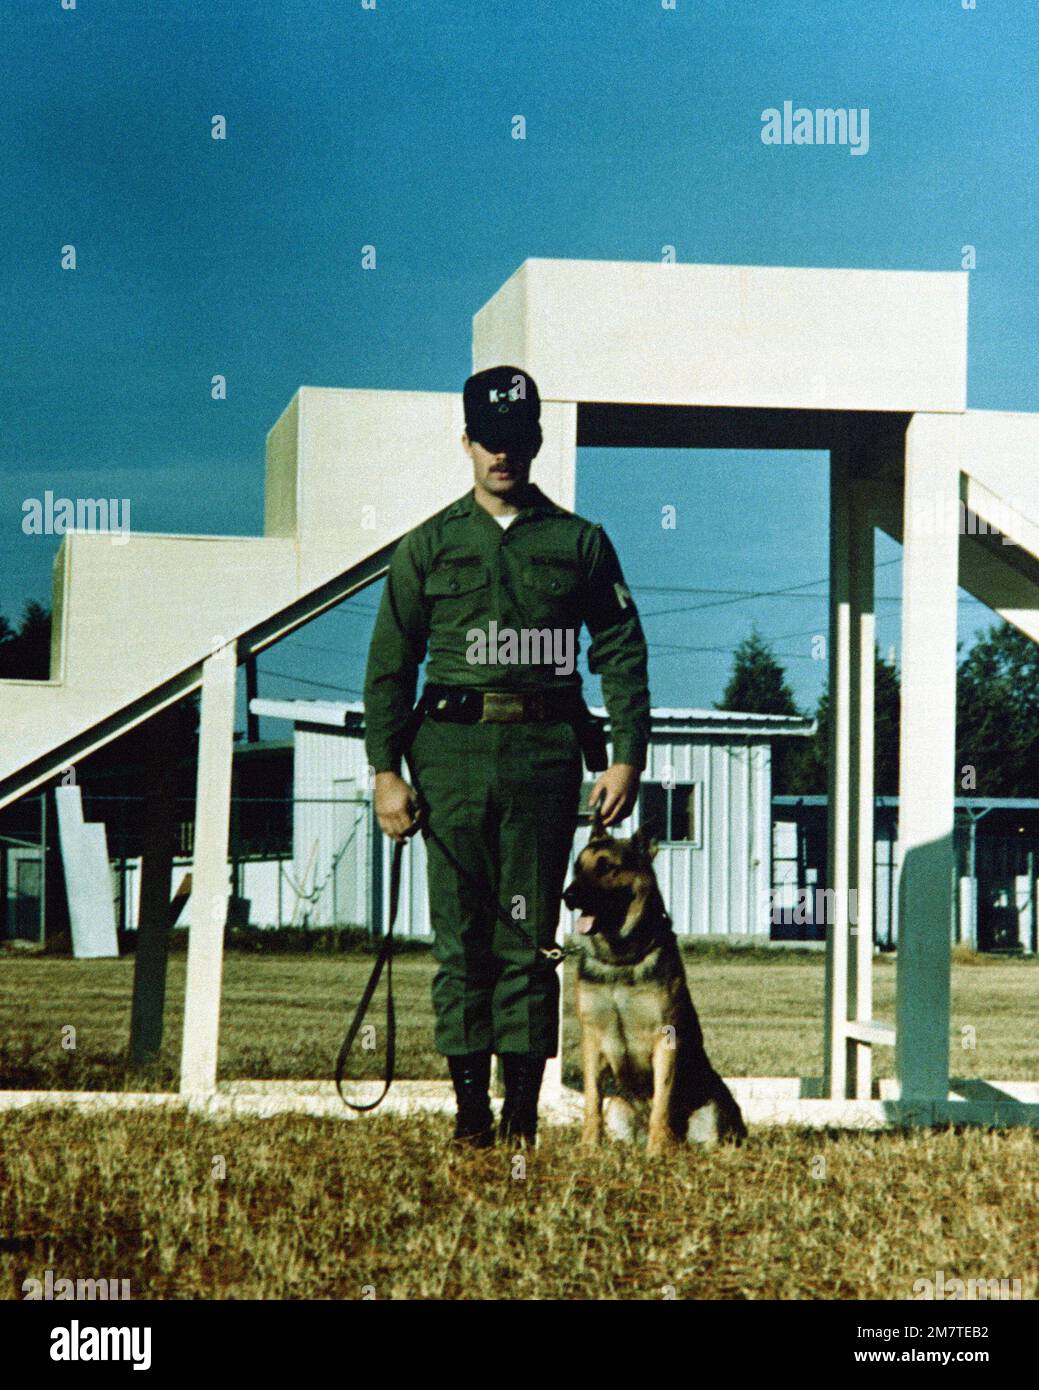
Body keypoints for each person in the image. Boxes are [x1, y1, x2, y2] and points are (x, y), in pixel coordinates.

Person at [363, 365, 651, 1147]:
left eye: (518, 442)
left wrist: (626, 754)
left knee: (527, 939)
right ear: (466, 442)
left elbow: (620, 648)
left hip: (542, 757)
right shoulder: (427, 546)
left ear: (536, 443)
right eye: (490, 442)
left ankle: (521, 1114)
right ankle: (469, 1116)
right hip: (450, 756)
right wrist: (385, 770)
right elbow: (391, 661)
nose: (503, 457)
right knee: (461, 939)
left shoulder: (578, 542)